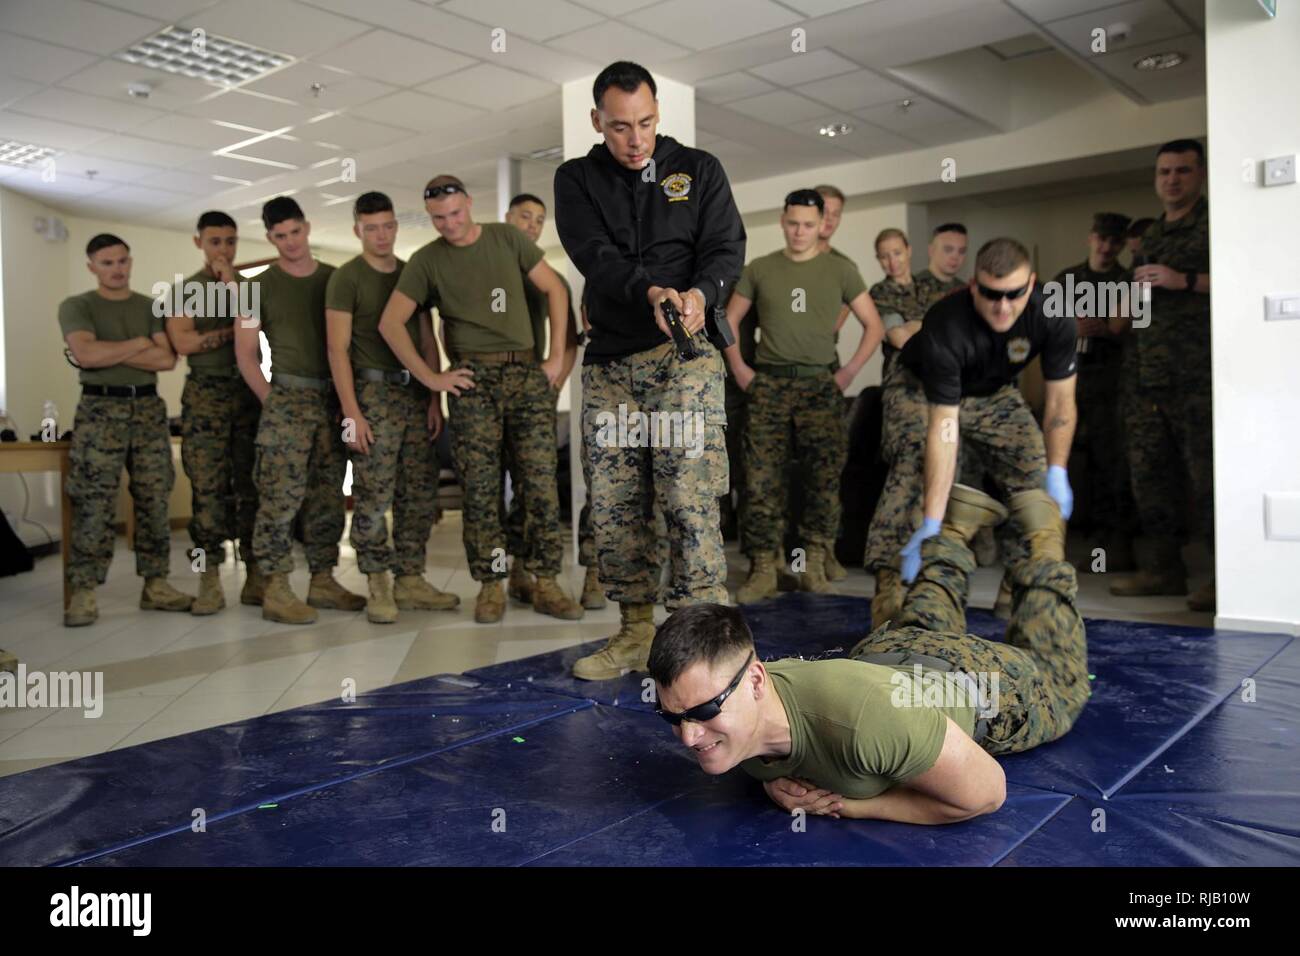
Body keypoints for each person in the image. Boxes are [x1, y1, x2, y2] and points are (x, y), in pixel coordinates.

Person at [648, 480, 1087, 823]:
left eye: (705, 712)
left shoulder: (865, 725)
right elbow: (768, 740)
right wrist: (772, 782)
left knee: (1060, 679)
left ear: (757, 681)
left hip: (974, 682)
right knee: (924, 616)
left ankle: (1044, 540)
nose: (688, 737)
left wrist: (849, 806)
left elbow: (987, 793)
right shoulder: (738, 703)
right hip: (890, 653)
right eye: (673, 717)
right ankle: (954, 530)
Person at [554, 60, 745, 680]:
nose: (635, 140)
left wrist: (701, 294)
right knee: (614, 502)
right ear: (596, 122)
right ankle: (637, 631)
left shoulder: (699, 169)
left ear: (658, 114)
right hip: (610, 364)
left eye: (646, 123)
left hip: (683, 358)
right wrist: (649, 290)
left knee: (690, 497)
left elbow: (725, 247)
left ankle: (705, 644)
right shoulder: (576, 179)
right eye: (618, 128)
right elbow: (594, 256)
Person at [377, 175, 582, 624]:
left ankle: (544, 579)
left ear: (470, 204)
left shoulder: (507, 238)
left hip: (525, 373)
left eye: (455, 213)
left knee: (540, 484)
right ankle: (491, 585)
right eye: (438, 218)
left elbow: (554, 289)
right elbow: (391, 323)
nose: (448, 225)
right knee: (481, 491)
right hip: (472, 381)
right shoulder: (426, 261)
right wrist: (433, 378)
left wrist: (552, 359)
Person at [865, 238, 1078, 626]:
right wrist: (932, 521)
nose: (1003, 307)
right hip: (920, 386)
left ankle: (1022, 586)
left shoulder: (1054, 310)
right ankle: (892, 588)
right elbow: (944, 427)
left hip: (993, 391)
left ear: (1031, 285)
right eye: (992, 295)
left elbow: (1061, 403)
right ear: (973, 287)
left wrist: (1058, 471)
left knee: (1032, 467)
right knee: (915, 461)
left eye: (1014, 295)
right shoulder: (947, 323)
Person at [723, 188, 883, 602]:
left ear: (822, 224)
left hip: (819, 386)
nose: (799, 232)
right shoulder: (760, 269)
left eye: (808, 225)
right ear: (782, 220)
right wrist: (741, 369)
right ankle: (763, 567)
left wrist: (848, 372)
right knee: (759, 480)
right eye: (793, 223)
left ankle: (813, 563)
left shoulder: (841, 270)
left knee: (823, 481)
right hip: (769, 385)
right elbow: (727, 321)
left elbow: (874, 326)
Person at [325, 191, 463, 624]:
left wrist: (434, 398)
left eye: (387, 226)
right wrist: (351, 411)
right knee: (372, 494)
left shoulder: (410, 272)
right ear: (357, 231)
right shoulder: (347, 278)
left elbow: (425, 338)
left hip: (413, 394)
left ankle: (410, 577)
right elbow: (337, 348)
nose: (381, 235)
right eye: (371, 228)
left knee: (417, 492)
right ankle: (377, 581)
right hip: (371, 395)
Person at [235, 197, 365, 625]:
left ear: (307, 228)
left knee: (328, 495)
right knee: (279, 497)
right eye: (279, 236)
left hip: (332, 398)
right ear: (270, 237)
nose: (290, 242)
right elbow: (246, 355)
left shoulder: (336, 279)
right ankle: (274, 586)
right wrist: (274, 401)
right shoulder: (256, 287)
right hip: (288, 398)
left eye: (295, 232)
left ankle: (323, 579)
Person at [59, 234, 194, 626]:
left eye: (122, 261)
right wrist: (138, 344)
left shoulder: (150, 307)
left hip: (148, 407)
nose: (117, 269)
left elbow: (167, 360)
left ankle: (156, 584)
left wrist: (111, 348)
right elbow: (84, 354)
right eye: (107, 263)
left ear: (130, 261)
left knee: (154, 496)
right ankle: (83, 591)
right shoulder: (78, 306)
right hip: (100, 407)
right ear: (92, 267)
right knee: (94, 499)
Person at [1112, 140, 1214, 611]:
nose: (1172, 179)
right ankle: (1163, 570)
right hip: (1145, 375)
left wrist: (1184, 280)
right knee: (1150, 476)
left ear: (1200, 174)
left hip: (1196, 376)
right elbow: (1140, 304)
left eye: (1182, 171)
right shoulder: (1151, 237)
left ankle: (1223, 576)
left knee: (1205, 479)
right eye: (1164, 172)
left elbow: (1245, 278)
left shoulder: (1217, 223)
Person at [166, 210, 261, 615]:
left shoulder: (247, 289)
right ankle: (209, 579)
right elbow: (184, 343)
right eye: (215, 241)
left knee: (251, 486)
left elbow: (261, 328)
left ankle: (257, 574)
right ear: (199, 242)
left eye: (230, 241)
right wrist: (231, 330)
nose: (223, 249)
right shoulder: (184, 291)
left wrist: (231, 286)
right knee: (207, 490)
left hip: (246, 391)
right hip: (205, 396)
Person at [499, 192, 582, 607]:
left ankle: (540, 572)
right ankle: (511, 570)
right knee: (494, 488)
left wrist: (554, 378)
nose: (531, 225)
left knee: (538, 488)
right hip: (489, 395)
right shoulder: (491, 267)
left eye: (538, 220)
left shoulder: (550, 276)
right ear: (507, 218)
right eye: (524, 217)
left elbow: (569, 342)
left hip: (536, 393)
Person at [1052, 212, 1137, 573]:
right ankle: (1056, 543)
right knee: (1063, 463)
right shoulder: (1067, 279)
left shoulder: (1127, 280)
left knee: (1110, 466)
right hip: (1068, 382)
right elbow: (1045, 327)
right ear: (1090, 238)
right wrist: (1072, 326)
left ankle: (1109, 551)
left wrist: (1105, 328)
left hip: (1113, 383)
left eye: (1114, 241)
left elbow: (1139, 331)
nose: (1106, 247)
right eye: (1101, 238)